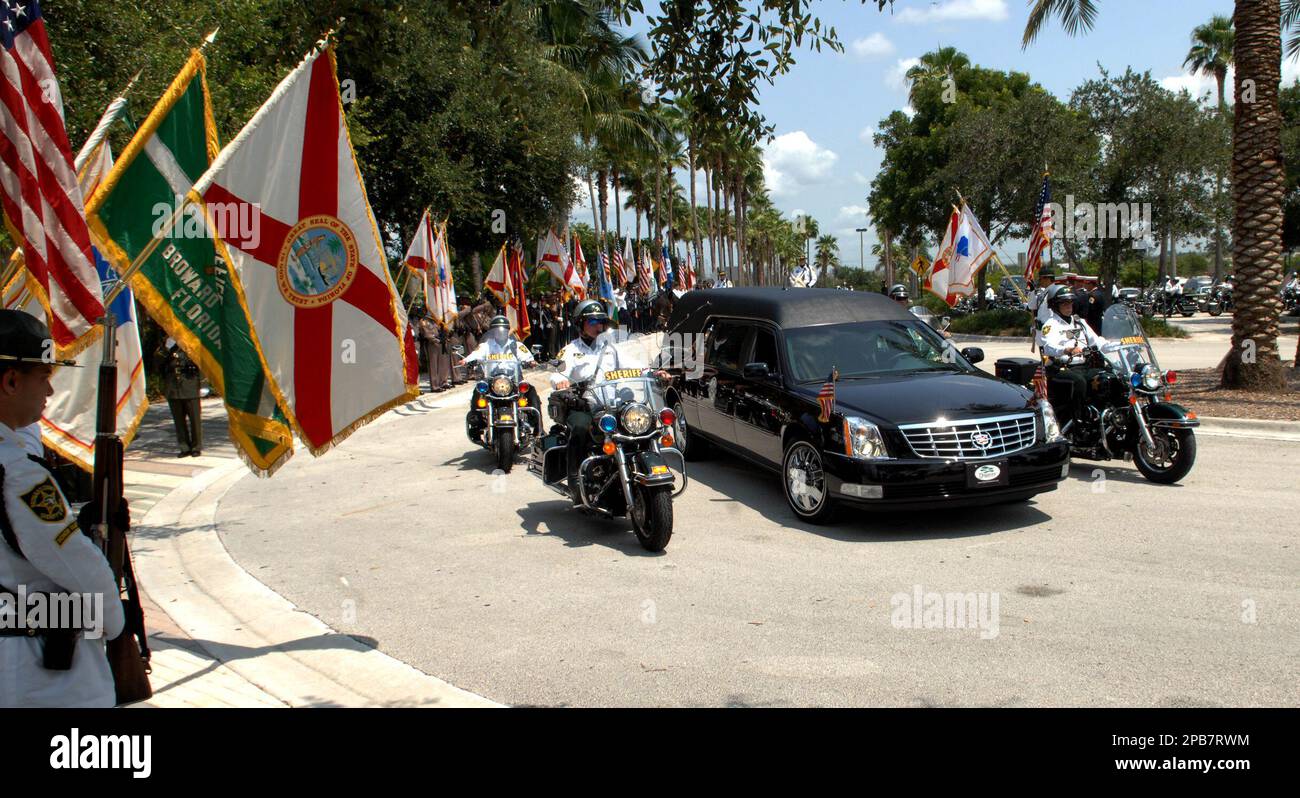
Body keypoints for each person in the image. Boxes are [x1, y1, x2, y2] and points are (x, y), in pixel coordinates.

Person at [0, 309, 125, 708]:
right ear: (11, 381)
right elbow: (84, 571)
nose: (50, 393)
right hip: (38, 673)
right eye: (44, 378)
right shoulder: (19, 476)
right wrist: (117, 626)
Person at [550, 299, 670, 503]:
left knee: (643, 424)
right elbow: (557, 372)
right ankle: (575, 482)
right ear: (580, 323)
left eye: (601, 321)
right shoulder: (571, 350)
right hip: (585, 405)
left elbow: (635, 366)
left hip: (611, 406)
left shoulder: (610, 349)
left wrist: (654, 372)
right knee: (579, 427)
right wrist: (561, 381)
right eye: (593, 321)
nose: (599, 326)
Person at [1038, 286, 1112, 431]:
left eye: (1070, 303)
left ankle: (1103, 416)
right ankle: (1078, 419)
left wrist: (1117, 345)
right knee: (1080, 382)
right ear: (1055, 305)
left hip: (1083, 367)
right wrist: (1066, 349)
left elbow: (1097, 341)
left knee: (1107, 377)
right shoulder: (1051, 325)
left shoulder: (1079, 322)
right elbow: (1047, 347)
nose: (1068, 306)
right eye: (1064, 303)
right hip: (1060, 368)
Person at [460, 315, 540, 443]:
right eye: (497, 330)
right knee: (478, 391)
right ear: (492, 331)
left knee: (531, 391)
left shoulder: (516, 345)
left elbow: (527, 356)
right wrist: (466, 360)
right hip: (493, 380)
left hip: (513, 380)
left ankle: (537, 425)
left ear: (508, 331)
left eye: (503, 330)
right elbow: (476, 353)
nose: (500, 332)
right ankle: (476, 425)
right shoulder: (487, 345)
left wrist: (531, 362)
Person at [160, 339, 202, 457]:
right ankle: (184, 447)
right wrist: (168, 348)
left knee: (194, 419)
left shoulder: (190, 341)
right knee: (179, 421)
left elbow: (201, 363)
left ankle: (196, 447)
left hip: (190, 386)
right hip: (173, 387)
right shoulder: (166, 345)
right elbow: (157, 363)